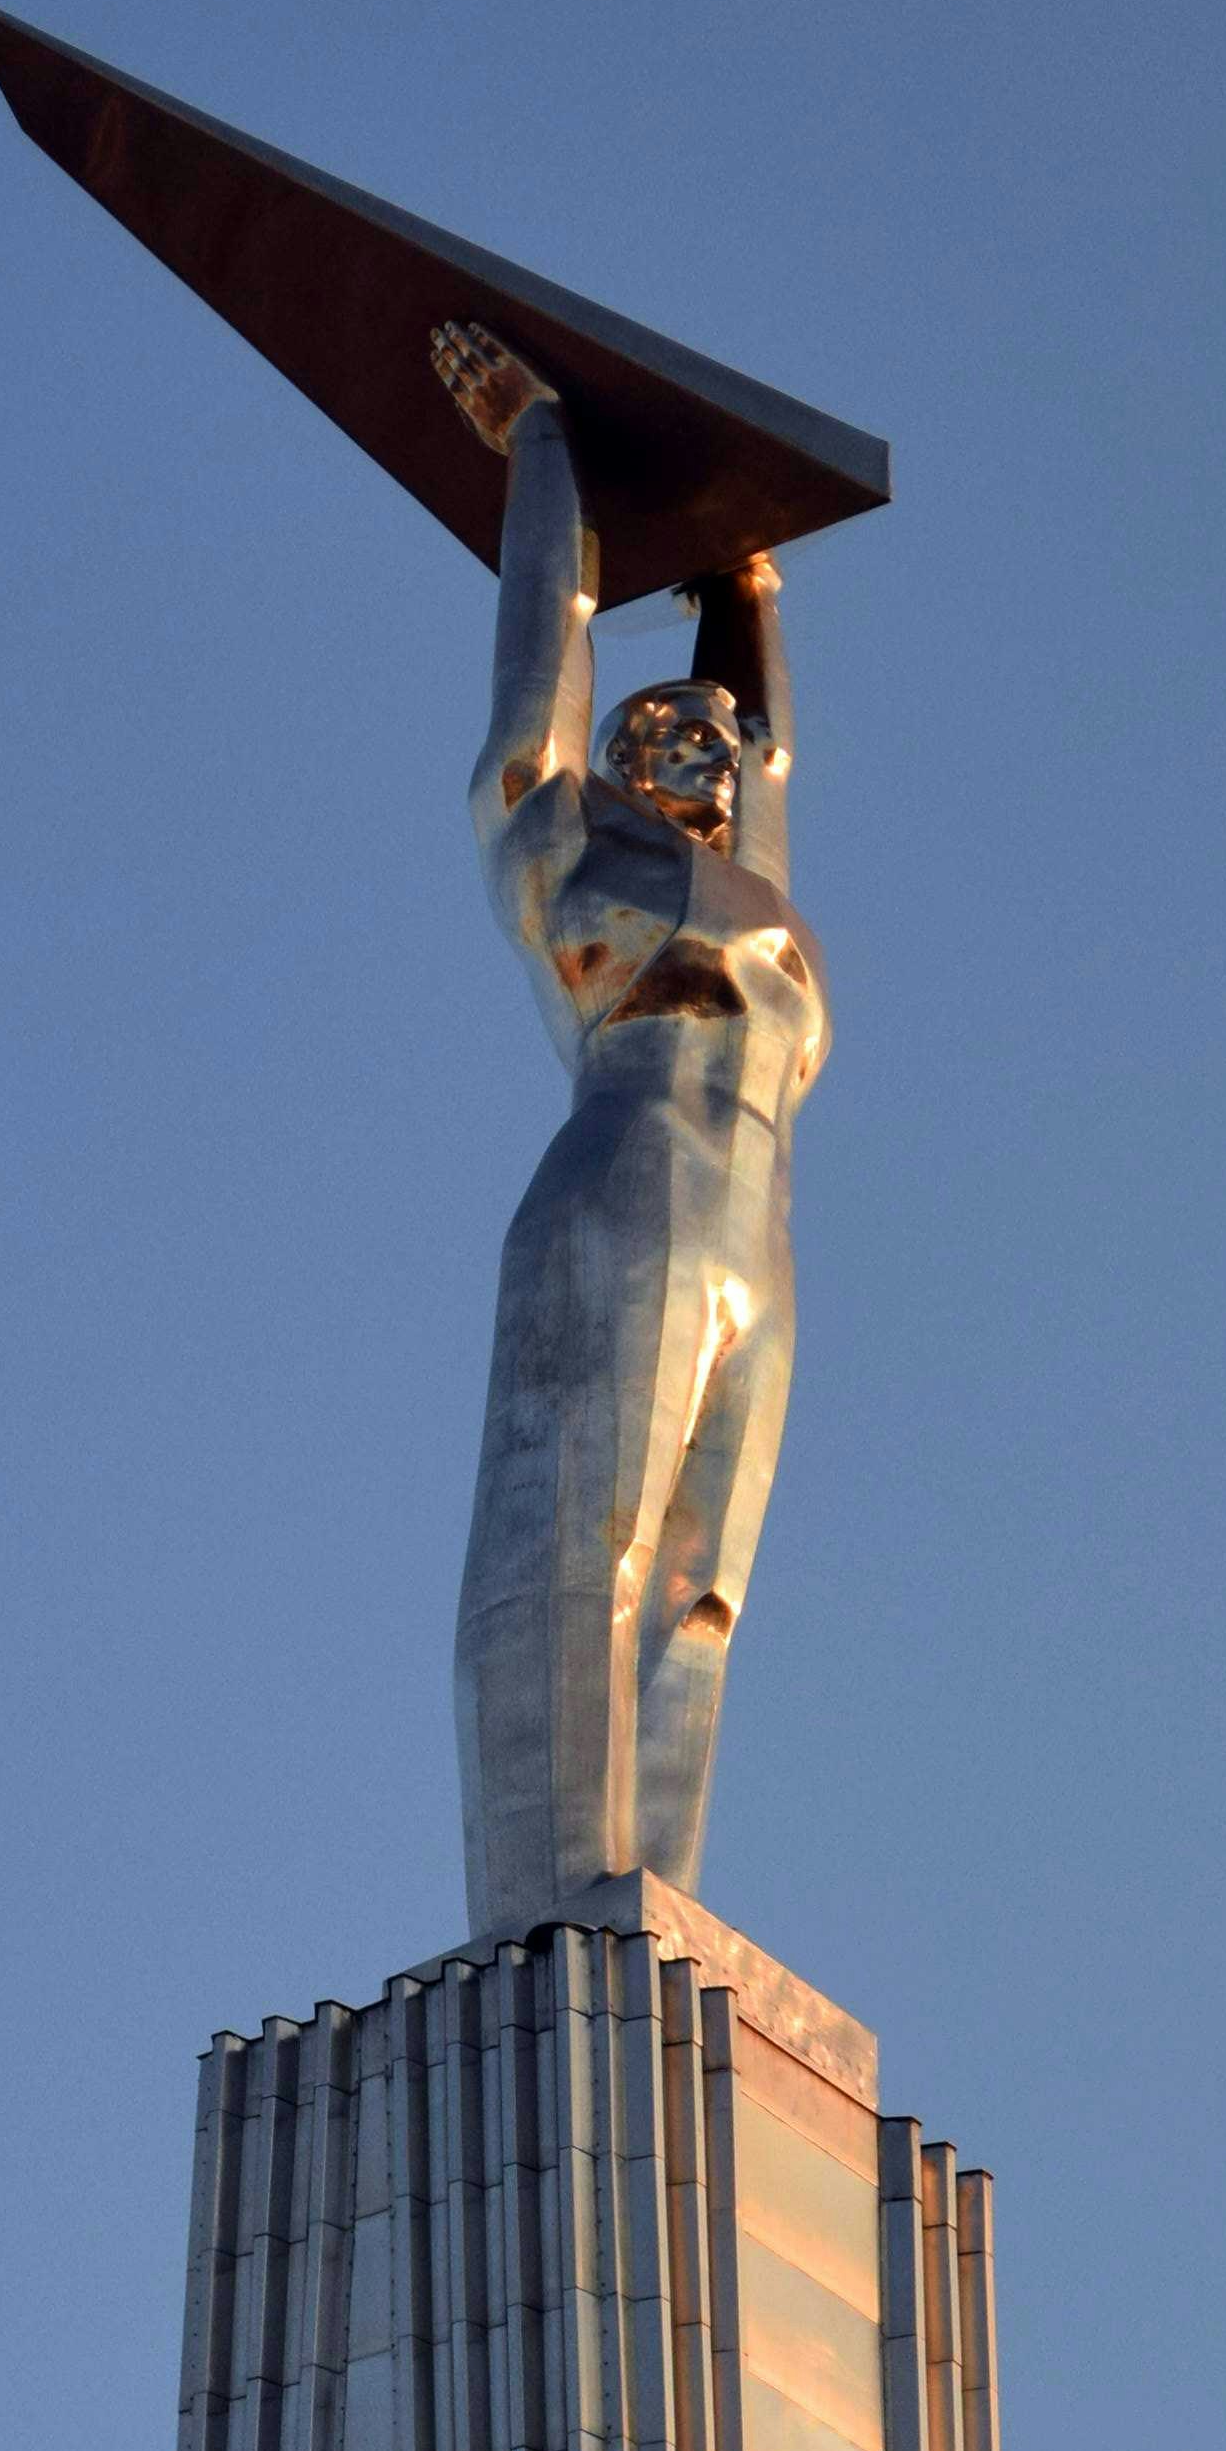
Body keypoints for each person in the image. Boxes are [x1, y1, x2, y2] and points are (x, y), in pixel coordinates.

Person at [430, 318, 829, 1934]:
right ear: (615, 767)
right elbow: (533, 701)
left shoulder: (762, 898)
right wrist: (540, 462)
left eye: (715, 733)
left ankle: (648, 1903)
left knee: (700, 1591)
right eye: (662, 735)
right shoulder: (566, 853)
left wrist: (752, 583)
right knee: (577, 1545)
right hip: (632, 1181)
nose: (707, 746)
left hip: (760, 1239)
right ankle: (540, 1912)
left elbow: (777, 734)